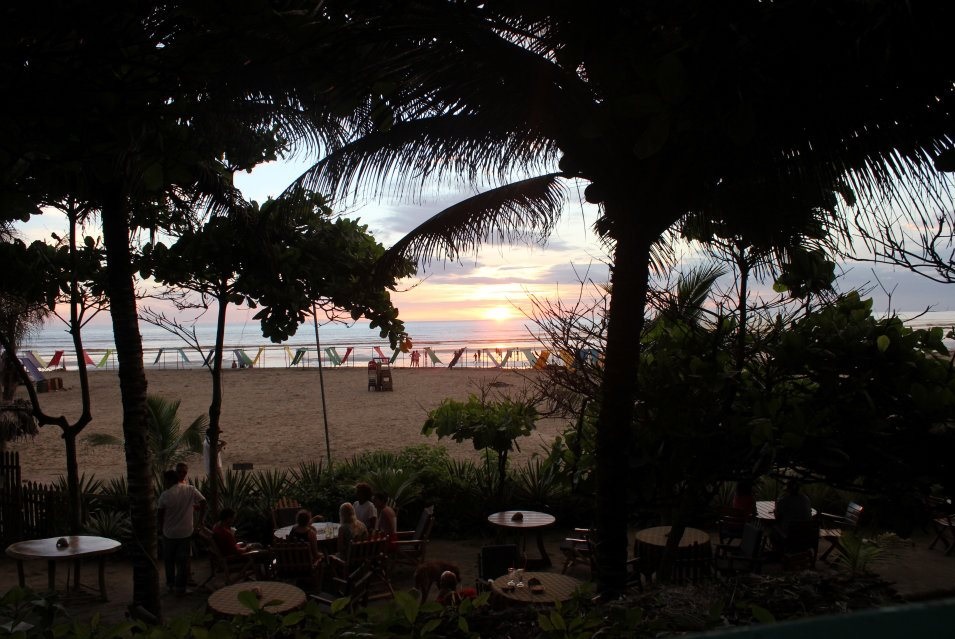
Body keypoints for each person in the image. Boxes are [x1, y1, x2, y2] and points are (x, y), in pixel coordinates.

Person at [158, 462, 205, 595]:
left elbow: (160, 515)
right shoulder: (190, 489)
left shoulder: (165, 495)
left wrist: (161, 529)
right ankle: (180, 588)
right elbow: (203, 502)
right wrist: (200, 520)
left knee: (169, 560)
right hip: (185, 532)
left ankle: (170, 584)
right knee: (183, 561)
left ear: (169, 481)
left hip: (169, 533)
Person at [772, 479, 812, 551]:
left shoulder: (784, 500)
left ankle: (778, 552)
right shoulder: (806, 499)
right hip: (806, 533)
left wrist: (775, 512)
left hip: (790, 534)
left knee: (772, 528)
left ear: (788, 490)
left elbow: (777, 518)